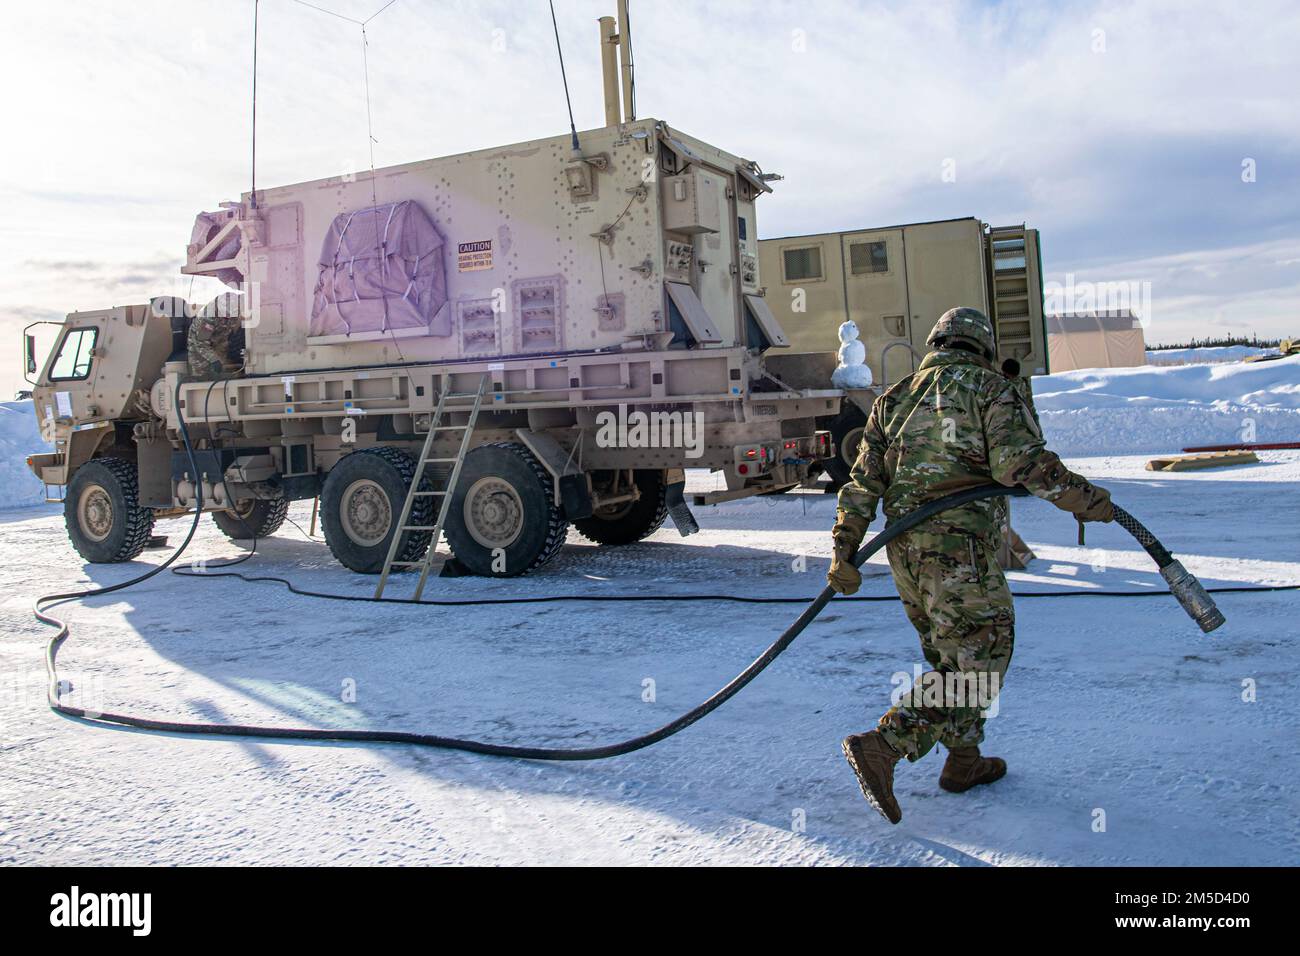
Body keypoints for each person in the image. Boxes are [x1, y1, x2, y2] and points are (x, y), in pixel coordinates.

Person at [828, 307, 1114, 824]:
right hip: (959, 547)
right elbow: (1020, 463)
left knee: (951, 657)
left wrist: (843, 550)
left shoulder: (893, 399)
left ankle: (963, 762)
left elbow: (862, 483)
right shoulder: (989, 388)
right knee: (981, 658)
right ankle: (885, 745)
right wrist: (1085, 498)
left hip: (905, 552)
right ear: (981, 346)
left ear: (937, 342)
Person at [187, 293, 245, 380]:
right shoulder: (208, 317)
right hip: (201, 358)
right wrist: (214, 360)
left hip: (219, 351)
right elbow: (201, 344)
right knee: (205, 381)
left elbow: (228, 332)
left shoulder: (234, 311)